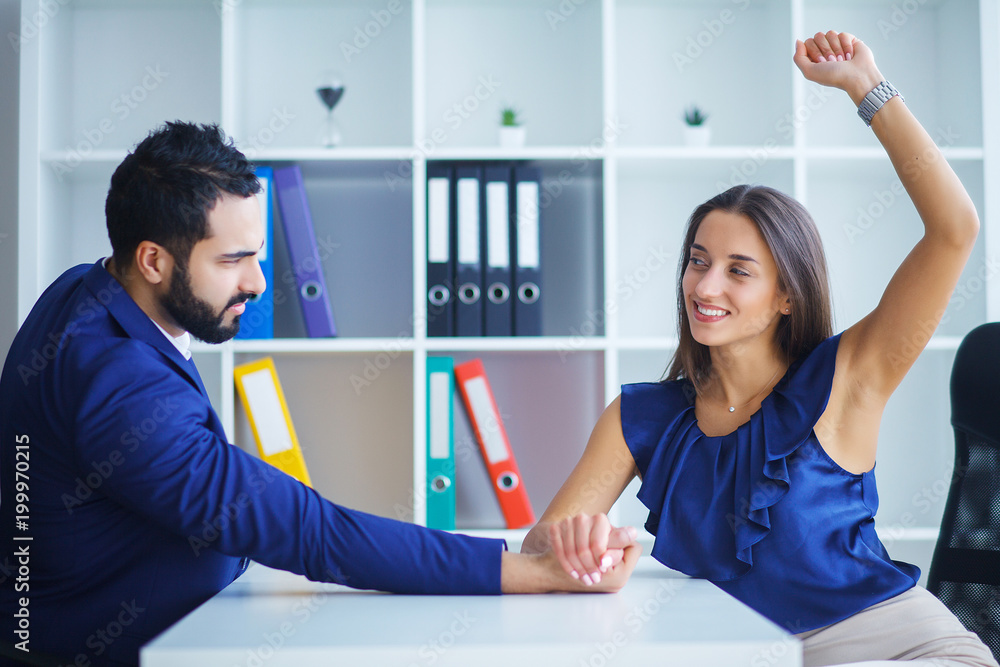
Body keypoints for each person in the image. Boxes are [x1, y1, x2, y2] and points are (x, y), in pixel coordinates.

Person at [0, 121, 641, 666]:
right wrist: (524, 571)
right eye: (232, 261)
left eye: (258, 253)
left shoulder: (89, 290)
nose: (257, 281)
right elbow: (311, 534)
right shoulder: (116, 384)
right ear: (153, 260)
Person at [522, 31, 998, 667]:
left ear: (787, 297)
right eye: (698, 261)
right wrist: (574, 546)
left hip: (898, 647)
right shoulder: (642, 418)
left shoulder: (847, 378)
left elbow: (954, 229)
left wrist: (865, 87)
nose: (706, 286)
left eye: (738, 270)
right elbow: (541, 550)